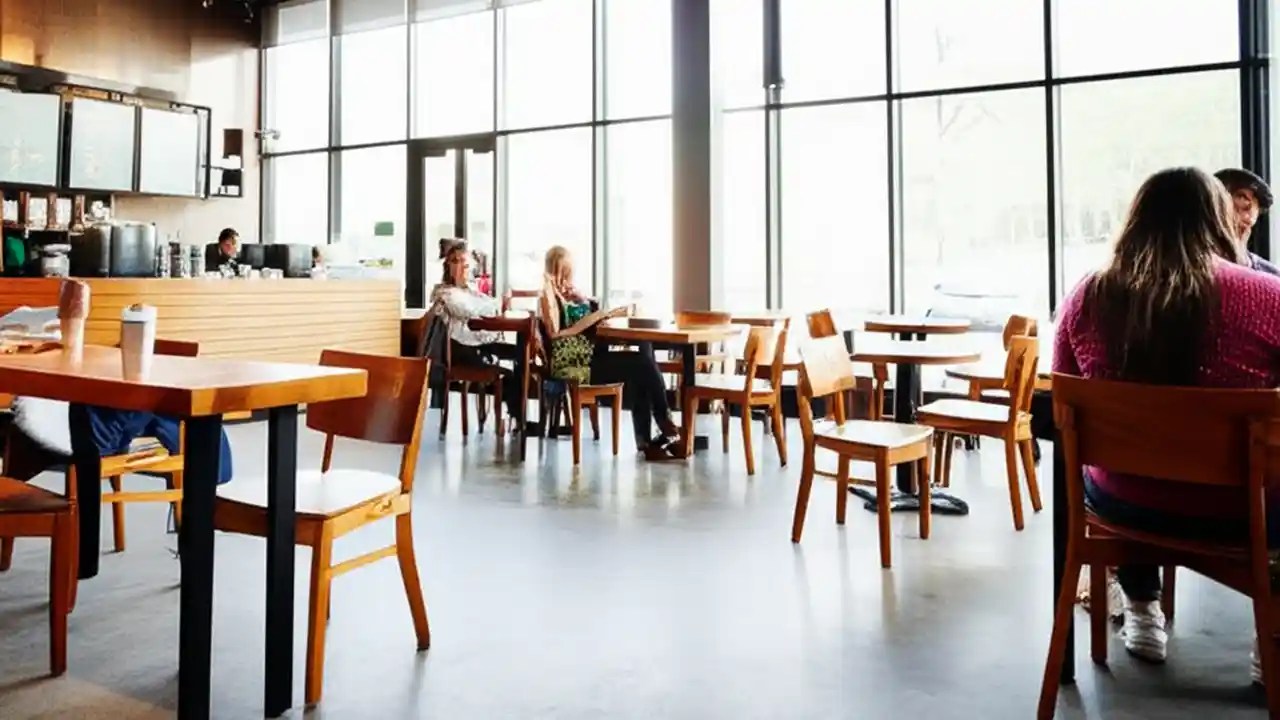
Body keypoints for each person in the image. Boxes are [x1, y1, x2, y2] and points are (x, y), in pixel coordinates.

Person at [1054, 167, 1280, 678]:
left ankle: (1141, 609)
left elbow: (1062, 396)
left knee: (1125, 466)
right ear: (1218, 219)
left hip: (1124, 505)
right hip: (1241, 509)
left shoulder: (1086, 297)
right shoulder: (1269, 298)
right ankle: (1272, 635)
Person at [538, 245, 681, 459]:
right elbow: (555, 335)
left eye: (568, 273)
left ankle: (651, 437)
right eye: (562, 273)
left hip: (591, 354)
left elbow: (583, 322)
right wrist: (585, 322)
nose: (565, 279)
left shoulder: (568, 296)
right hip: (579, 364)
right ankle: (663, 425)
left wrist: (583, 301)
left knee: (644, 349)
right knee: (641, 363)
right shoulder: (548, 296)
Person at [429, 238, 522, 424]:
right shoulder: (445, 293)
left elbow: (490, 304)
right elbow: (468, 312)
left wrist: (500, 303)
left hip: (480, 343)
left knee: (521, 353)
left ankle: (520, 416)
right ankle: (517, 415)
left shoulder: (469, 290)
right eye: (456, 262)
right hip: (462, 349)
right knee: (510, 367)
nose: (462, 267)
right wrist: (494, 307)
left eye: (465, 262)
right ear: (448, 266)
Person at [1215, 167, 1277, 275]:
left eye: (1256, 205)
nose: (1250, 207)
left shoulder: (1270, 275)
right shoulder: (1191, 263)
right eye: (1242, 197)